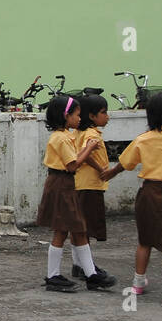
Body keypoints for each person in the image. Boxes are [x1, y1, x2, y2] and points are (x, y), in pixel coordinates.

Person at [103, 92, 162, 305]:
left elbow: (124, 163)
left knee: (145, 240)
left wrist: (110, 173)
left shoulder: (143, 139)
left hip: (149, 193)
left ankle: (138, 282)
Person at [37, 95, 114, 293]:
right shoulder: (60, 138)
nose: (79, 119)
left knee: (78, 229)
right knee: (62, 230)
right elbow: (72, 166)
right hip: (61, 184)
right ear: (65, 116)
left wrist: (86, 150)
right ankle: (53, 275)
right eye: (76, 115)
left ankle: (91, 275)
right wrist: (89, 148)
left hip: (65, 184)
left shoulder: (65, 136)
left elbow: (73, 161)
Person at [71, 93, 114, 282]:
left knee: (80, 227)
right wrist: (101, 169)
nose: (107, 116)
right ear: (92, 116)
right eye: (103, 112)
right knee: (85, 229)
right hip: (89, 185)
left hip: (82, 184)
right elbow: (85, 154)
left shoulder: (80, 133)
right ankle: (86, 267)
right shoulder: (91, 134)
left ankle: (79, 264)